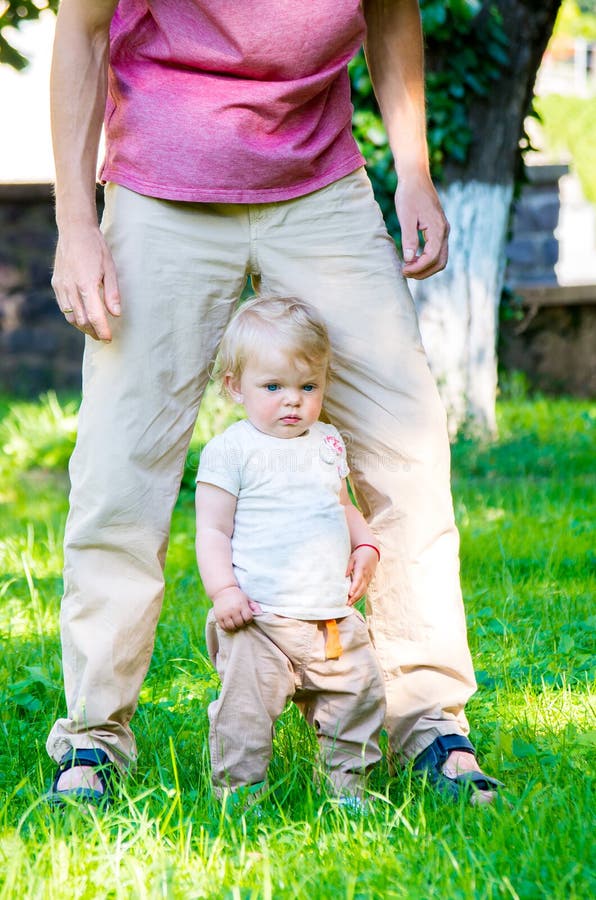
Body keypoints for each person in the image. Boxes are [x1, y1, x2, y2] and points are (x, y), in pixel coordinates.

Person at [48, 0, 502, 805]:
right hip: (162, 189)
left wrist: (415, 174)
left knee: (408, 448)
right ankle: (94, 739)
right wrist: (76, 222)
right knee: (121, 470)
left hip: (319, 186)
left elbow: (393, 15)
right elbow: (81, 30)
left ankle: (430, 722)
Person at [196, 295, 386, 806]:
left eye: (308, 387)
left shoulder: (327, 441)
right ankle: (240, 793)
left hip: (329, 616)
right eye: (273, 386)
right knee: (246, 712)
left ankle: (350, 789)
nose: (293, 401)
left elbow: (341, 504)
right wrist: (224, 591)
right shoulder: (231, 451)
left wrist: (364, 541)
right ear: (235, 386)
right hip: (259, 618)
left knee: (357, 697)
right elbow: (212, 531)